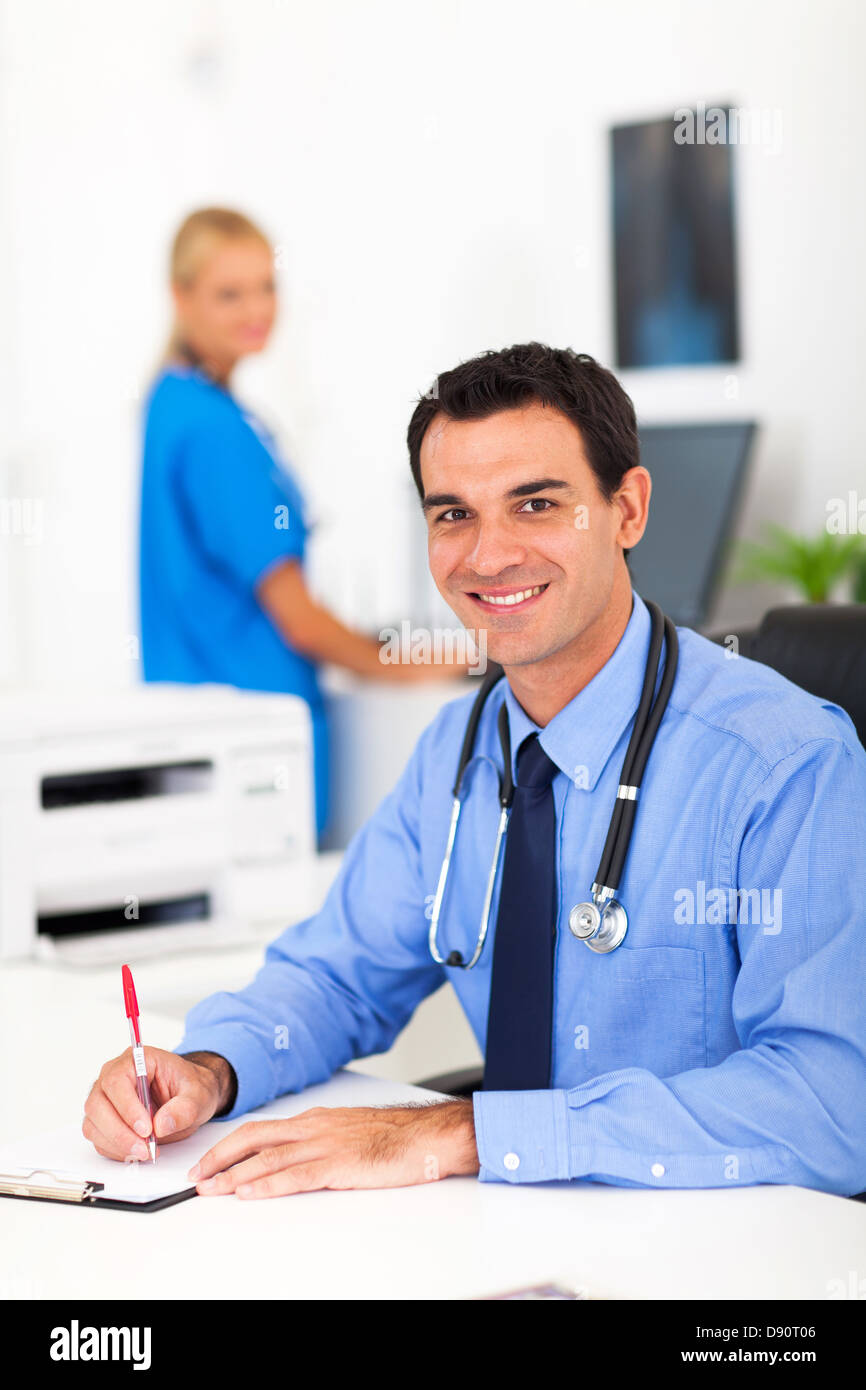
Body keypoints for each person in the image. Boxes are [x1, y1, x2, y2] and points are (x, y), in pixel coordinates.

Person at [90, 343, 866, 1199]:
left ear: (628, 509)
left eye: (535, 504)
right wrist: (208, 1068)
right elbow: (334, 976)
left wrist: (468, 1130)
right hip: (508, 1238)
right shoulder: (458, 753)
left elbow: (832, 1107)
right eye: (453, 514)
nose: (488, 556)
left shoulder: (781, 765)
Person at [139, 207, 460, 841]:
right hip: (252, 752)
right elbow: (299, 618)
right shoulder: (212, 431)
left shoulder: (174, 404)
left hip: (202, 744)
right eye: (229, 293)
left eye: (266, 286)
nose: (255, 309)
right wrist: (426, 665)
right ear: (181, 297)